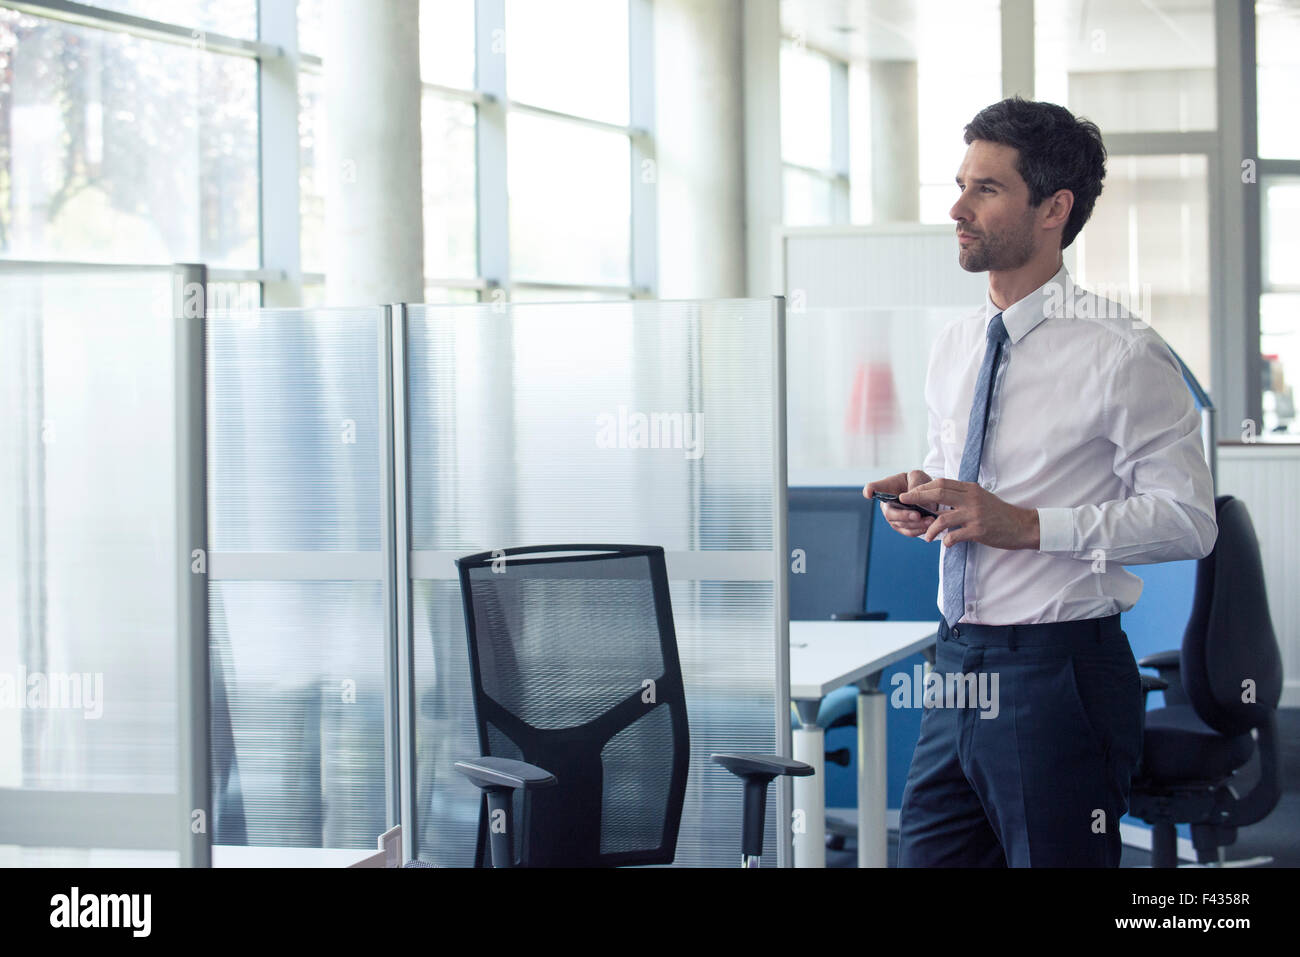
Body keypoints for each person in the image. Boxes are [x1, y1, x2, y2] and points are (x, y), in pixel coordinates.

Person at [865, 97, 1218, 867]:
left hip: (1059, 675)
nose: (957, 207)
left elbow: (1191, 521)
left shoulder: (1123, 352)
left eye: (985, 189)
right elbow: (970, 487)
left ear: (1054, 208)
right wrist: (930, 498)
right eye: (960, 184)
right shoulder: (955, 345)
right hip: (954, 666)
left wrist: (1025, 524)